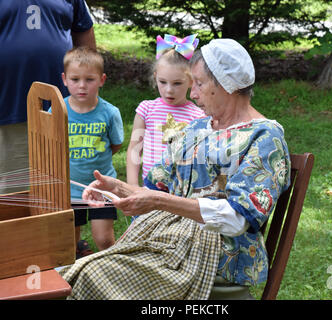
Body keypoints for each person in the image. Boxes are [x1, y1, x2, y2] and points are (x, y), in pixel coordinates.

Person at [60, 39, 291, 300]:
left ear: (227, 85)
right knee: (75, 272)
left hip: (212, 255)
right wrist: (116, 188)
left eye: (200, 84)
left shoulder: (264, 138)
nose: (193, 94)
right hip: (168, 241)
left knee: (93, 274)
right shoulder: (196, 129)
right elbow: (155, 188)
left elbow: (236, 218)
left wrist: (159, 200)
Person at [0, 0, 96, 195]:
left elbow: (83, 29)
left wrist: (89, 88)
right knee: (7, 204)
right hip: (1, 115)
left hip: (62, 113)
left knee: (63, 198)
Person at [57, 46, 124, 257]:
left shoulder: (110, 113)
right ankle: (74, 271)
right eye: (75, 79)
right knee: (68, 241)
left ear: (102, 80)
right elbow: (51, 144)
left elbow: (116, 145)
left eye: (90, 79)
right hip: (69, 189)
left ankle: (112, 269)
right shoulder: (58, 111)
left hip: (101, 187)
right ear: (64, 79)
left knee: (104, 239)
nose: (82, 86)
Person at [126, 34, 205, 187]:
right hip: (149, 190)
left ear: (191, 81)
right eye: (163, 82)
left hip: (181, 192)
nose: (169, 90)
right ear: (155, 77)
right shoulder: (146, 110)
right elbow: (135, 150)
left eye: (177, 83)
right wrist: (132, 186)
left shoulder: (198, 116)